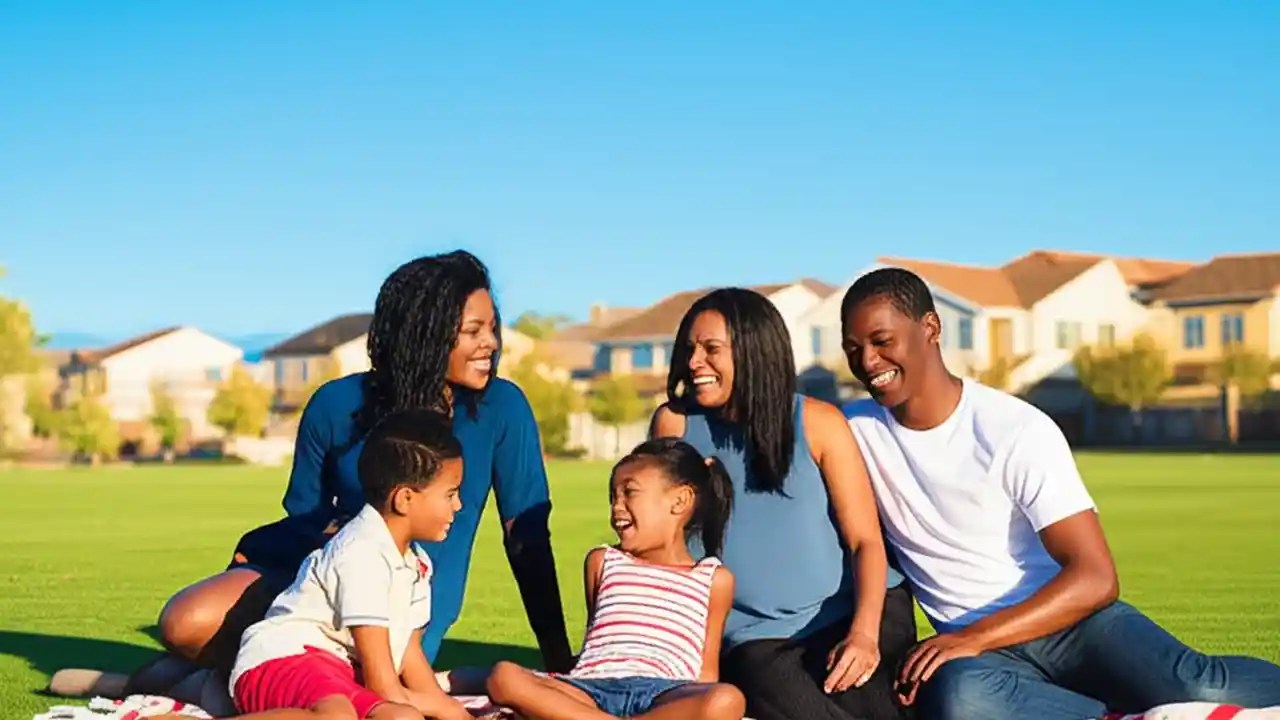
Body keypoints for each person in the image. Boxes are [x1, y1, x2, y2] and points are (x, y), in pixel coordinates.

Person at [112, 250, 574, 708]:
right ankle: (243, 674)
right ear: (424, 334)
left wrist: (559, 660)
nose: (491, 343)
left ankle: (203, 683)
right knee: (184, 620)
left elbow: (526, 538)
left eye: (493, 327)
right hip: (322, 586)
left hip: (401, 619)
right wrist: (279, 540)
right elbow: (303, 519)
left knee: (369, 686)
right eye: (473, 331)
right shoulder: (335, 404)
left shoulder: (503, 409)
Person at [839, 266, 1280, 720]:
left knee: (1197, 683)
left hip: (1071, 625)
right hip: (979, 657)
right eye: (853, 349)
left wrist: (974, 638)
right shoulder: (849, 430)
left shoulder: (1013, 429)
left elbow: (1096, 577)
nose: (868, 362)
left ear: (930, 328)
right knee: (959, 702)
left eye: (881, 341)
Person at [649, 288, 916, 720]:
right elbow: (655, 540)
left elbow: (866, 540)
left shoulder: (817, 422)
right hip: (755, 639)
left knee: (879, 707)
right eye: (690, 349)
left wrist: (864, 634)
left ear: (754, 351)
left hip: (854, 611)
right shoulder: (674, 425)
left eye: (711, 348)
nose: (694, 361)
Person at [155, 409, 474, 720]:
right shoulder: (363, 555)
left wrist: (447, 708)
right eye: (450, 494)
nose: (458, 506)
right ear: (404, 498)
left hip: (335, 674)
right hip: (285, 659)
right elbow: (383, 685)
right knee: (338, 716)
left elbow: (407, 653)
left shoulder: (415, 563)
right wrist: (440, 708)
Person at [486, 438, 746, 720]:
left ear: (679, 501)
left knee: (726, 699)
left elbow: (705, 673)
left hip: (664, 694)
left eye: (629, 493)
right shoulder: (603, 561)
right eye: (612, 496)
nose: (616, 508)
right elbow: (594, 644)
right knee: (504, 676)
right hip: (589, 689)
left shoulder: (713, 579)